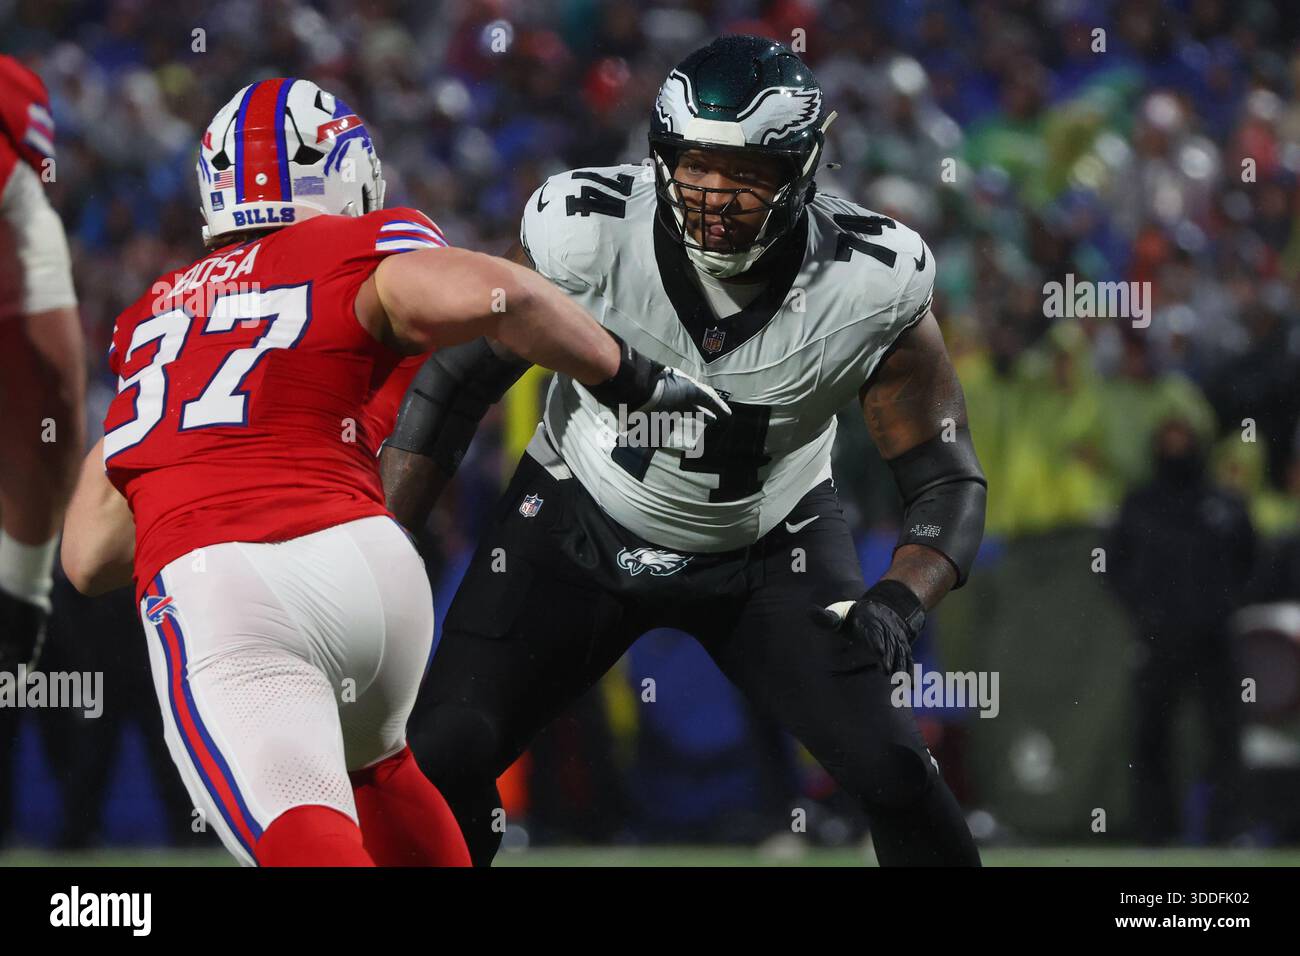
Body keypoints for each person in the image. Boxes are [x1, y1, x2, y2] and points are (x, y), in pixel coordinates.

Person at [60, 77, 726, 867]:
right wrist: (637, 382)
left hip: (222, 585)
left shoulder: (153, 316)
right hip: (369, 573)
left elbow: (87, 559)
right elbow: (506, 294)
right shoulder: (356, 246)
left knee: (299, 833)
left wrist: (183, 475)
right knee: (377, 770)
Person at [383, 36, 988, 866]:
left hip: (768, 547)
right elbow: (454, 383)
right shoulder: (585, 235)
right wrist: (384, 539)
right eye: (695, 164)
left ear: (803, 169)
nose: (713, 193)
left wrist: (900, 601)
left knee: (894, 771)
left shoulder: (869, 282)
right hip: (573, 518)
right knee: (443, 754)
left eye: (745, 171)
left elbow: (945, 479)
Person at [1107, 416, 1255, 844]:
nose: (1175, 450)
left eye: (1183, 441)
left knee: (1226, 736)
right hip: (1158, 637)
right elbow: (1115, 565)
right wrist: (1144, 609)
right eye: (1167, 441)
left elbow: (1249, 558)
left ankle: (1228, 832)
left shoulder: (1225, 503)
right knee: (1150, 736)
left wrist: (1223, 604)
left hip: (1215, 637)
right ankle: (1155, 833)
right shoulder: (1140, 503)